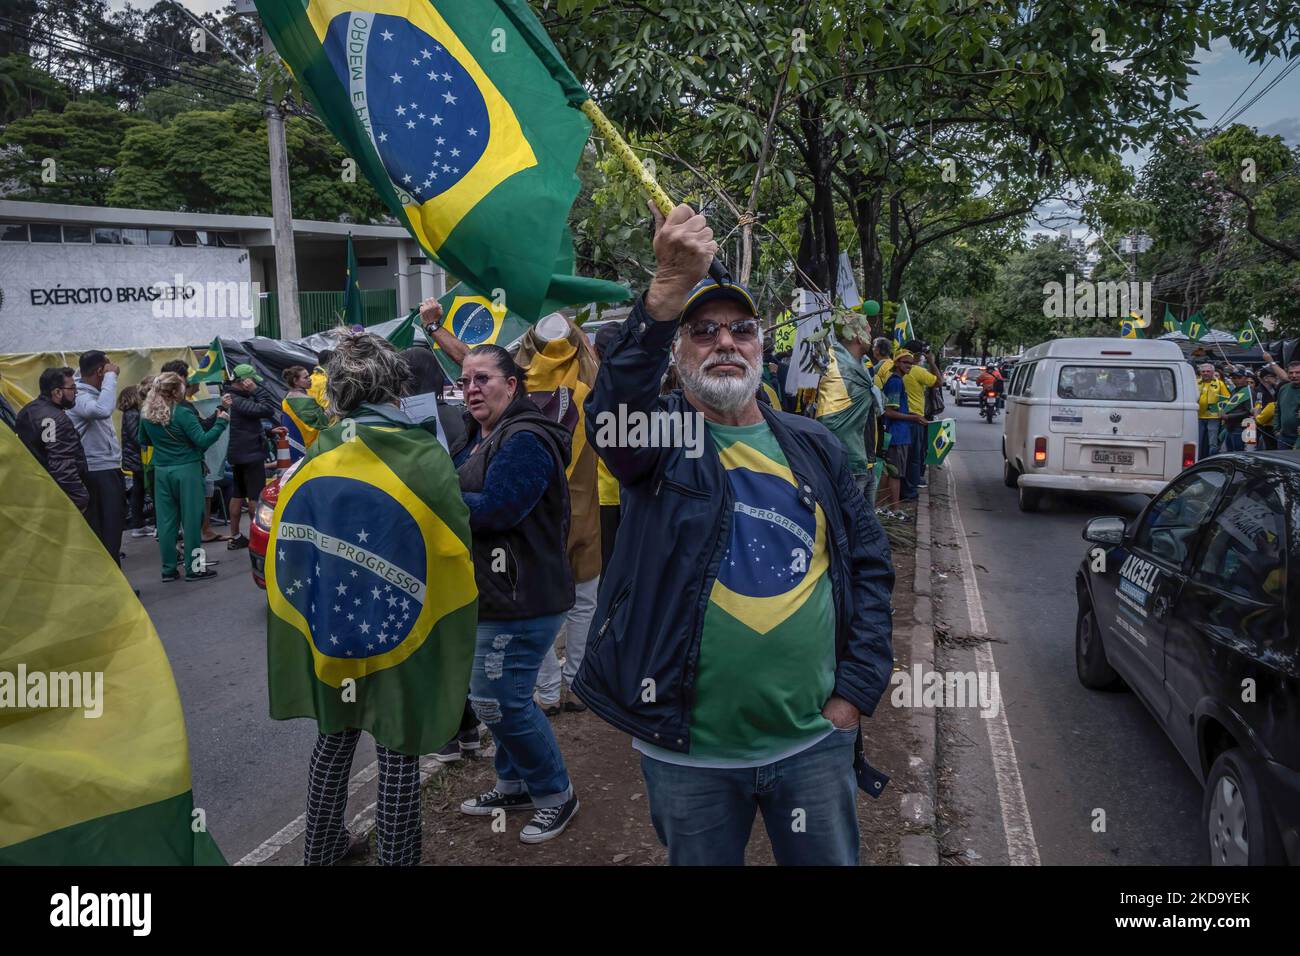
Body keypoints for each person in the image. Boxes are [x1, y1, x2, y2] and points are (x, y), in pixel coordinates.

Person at [573, 203, 895, 866]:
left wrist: (855, 693)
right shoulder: (661, 437)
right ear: (679, 353)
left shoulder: (812, 445)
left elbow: (868, 565)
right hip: (687, 756)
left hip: (812, 744)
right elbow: (610, 416)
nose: (725, 341)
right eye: (703, 331)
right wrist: (665, 293)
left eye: (742, 330)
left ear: (762, 348)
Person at [450, 344, 580, 844]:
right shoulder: (480, 433)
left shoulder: (525, 438)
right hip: (496, 592)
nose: (472, 389)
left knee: (496, 699)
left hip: (525, 594)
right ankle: (514, 784)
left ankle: (555, 793)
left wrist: (436, 497)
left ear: (513, 383)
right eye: (465, 381)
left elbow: (500, 509)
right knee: (500, 696)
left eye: (483, 378)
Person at [138, 372, 230, 582]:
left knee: (166, 522)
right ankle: (194, 567)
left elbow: (143, 440)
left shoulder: (146, 413)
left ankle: (168, 569)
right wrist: (221, 423)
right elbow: (202, 440)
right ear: (175, 390)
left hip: (161, 470)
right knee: (192, 520)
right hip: (187, 469)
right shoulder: (182, 412)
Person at [815, 319, 885, 504]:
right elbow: (829, 421)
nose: (871, 337)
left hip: (866, 461)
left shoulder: (862, 364)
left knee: (867, 527)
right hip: (850, 465)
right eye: (868, 333)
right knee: (851, 526)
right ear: (856, 336)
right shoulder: (838, 369)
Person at [66, 350, 124, 564]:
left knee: (113, 528)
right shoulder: (81, 396)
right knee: (107, 529)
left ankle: (115, 580)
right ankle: (113, 584)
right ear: (100, 371)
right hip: (97, 470)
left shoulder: (88, 393)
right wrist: (111, 377)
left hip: (105, 467)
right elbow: (102, 410)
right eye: (108, 369)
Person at [14, 366, 89, 513]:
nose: (76, 393)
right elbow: (62, 463)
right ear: (57, 392)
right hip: (58, 495)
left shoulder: (27, 411)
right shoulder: (58, 419)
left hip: (33, 488)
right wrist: (80, 498)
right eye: (72, 388)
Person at [222, 364, 278, 549]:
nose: (254, 384)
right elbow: (267, 409)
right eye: (253, 381)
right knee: (254, 496)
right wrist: (257, 391)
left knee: (238, 494)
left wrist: (268, 433)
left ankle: (235, 535)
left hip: (239, 453)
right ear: (244, 382)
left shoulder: (233, 398)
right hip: (249, 454)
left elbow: (246, 424)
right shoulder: (238, 399)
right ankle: (258, 539)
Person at [880, 352, 928, 516]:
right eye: (906, 362)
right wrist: (914, 418)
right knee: (895, 473)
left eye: (911, 363)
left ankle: (885, 506)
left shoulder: (898, 381)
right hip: (897, 435)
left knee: (891, 472)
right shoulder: (895, 382)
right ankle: (894, 508)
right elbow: (889, 412)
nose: (909, 365)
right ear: (897, 363)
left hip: (899, 433)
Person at [592, 324, 623, 570]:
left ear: (595, 351)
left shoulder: (591, 389)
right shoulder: (641, 386)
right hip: (632, 492)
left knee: (605, 566)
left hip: (602, 494)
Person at [117, 385, 153, 539]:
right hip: (138, 459)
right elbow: (136, 436)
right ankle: (142, 525)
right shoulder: (132, 414)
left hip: (134, 459)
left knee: (138, 492)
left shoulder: (130, 413)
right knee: (148, 490)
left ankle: (138, 525)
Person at [280, 365, 332, 462]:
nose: (310, 379)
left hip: (293, 446)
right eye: (306, 377)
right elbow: (321, 424)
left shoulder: (286, 399)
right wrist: (330, 410)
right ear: (295, 381)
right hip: (310, 449)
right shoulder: (307, 401)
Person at [1259, 352, 1300, 450]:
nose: (1294, 375)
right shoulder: (1283, 388)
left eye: (1298, 372)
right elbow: (1277, 410)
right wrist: (1277, 430)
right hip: (1284, 438)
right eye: (1291, 372)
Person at [1196, 363, 1230, 458]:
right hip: (1198, 416)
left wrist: (1221, 411)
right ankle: (1197, 460)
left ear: (1212, 372)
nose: (1205, 373)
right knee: (1198, 440)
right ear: (1200, 373)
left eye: (1208, 371)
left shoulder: (1219, 383)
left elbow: (1226, 398)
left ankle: (1211, 459)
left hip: (1213, 417)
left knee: (1213, 442)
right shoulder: (1196, 382)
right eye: (1203, 371)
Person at [1218, 366, 1255, 452]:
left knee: (1239, 453)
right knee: (1229, 453)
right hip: (1230, 427)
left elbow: (1249, 412)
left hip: (1242, 428)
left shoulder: (1249, 392)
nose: (1236, 380)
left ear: (1245, 378)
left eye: (1239, 377)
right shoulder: (1234, 390)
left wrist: (1229, 416)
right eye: (1234, 378)